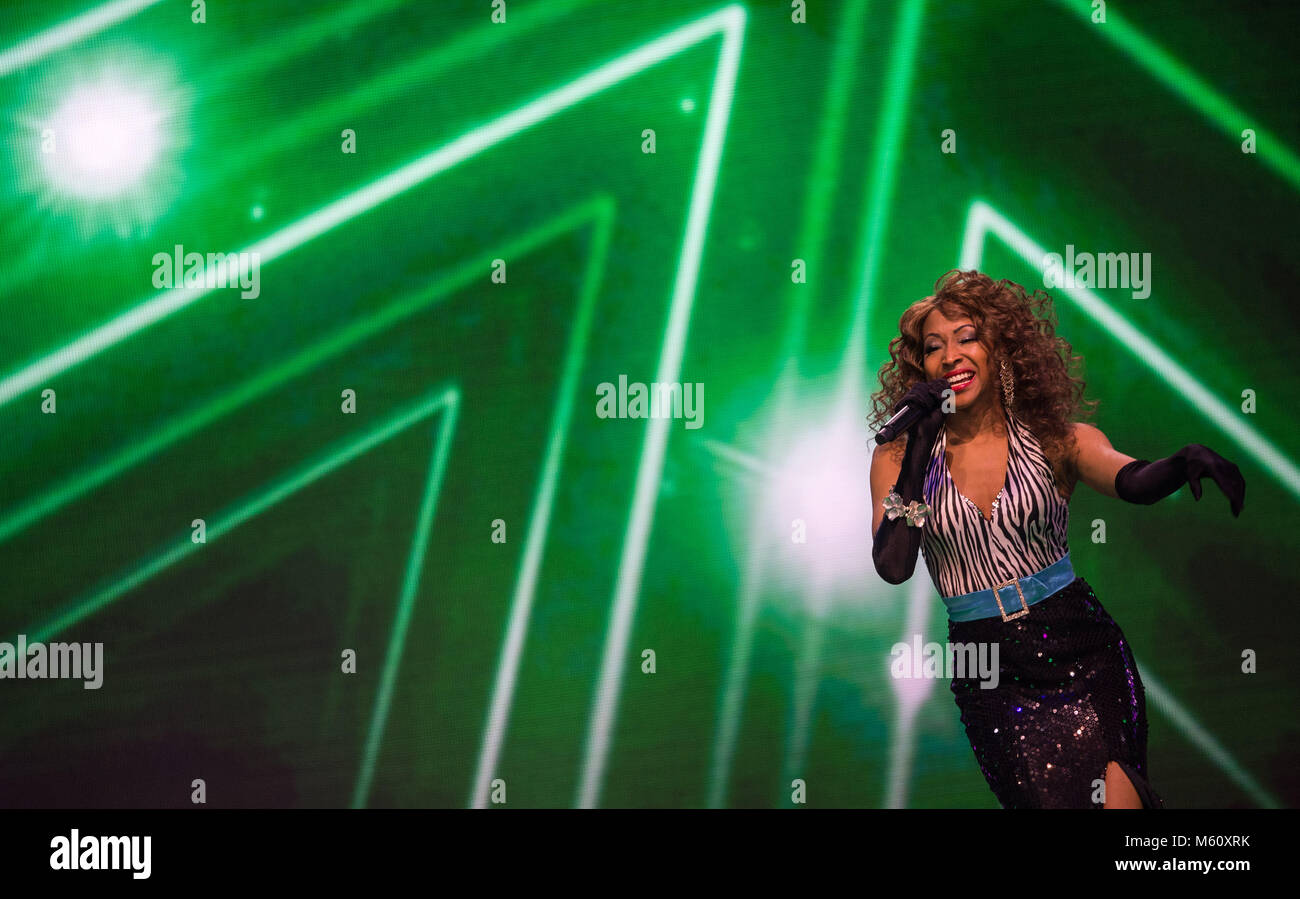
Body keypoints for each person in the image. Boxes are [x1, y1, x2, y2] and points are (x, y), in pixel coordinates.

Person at [867, 270, 1245, 809]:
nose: (950, 355)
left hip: (1082, 646)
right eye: (934, 347)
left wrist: (1180, 463)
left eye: (967, 337)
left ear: (1000, 349)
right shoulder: (899, 457)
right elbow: (893, 564)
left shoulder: (1054, 438)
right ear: (921, 367)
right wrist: (920, 452)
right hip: (991, 670)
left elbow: (1129, 479)